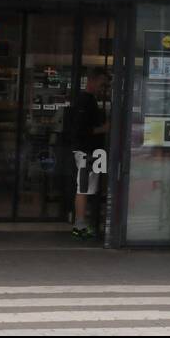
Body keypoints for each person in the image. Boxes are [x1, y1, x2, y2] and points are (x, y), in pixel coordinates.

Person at [70, 67, 110, 238]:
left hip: (92, 150)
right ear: (92, 81)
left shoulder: (89, 100)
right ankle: (80, 225)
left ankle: (84, 222)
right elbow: (81, 130)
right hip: (87, 151)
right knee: (84, 187)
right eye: (102, 84)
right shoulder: (85, 101)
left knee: (90, 187)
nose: (103, 88)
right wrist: (104, 128)